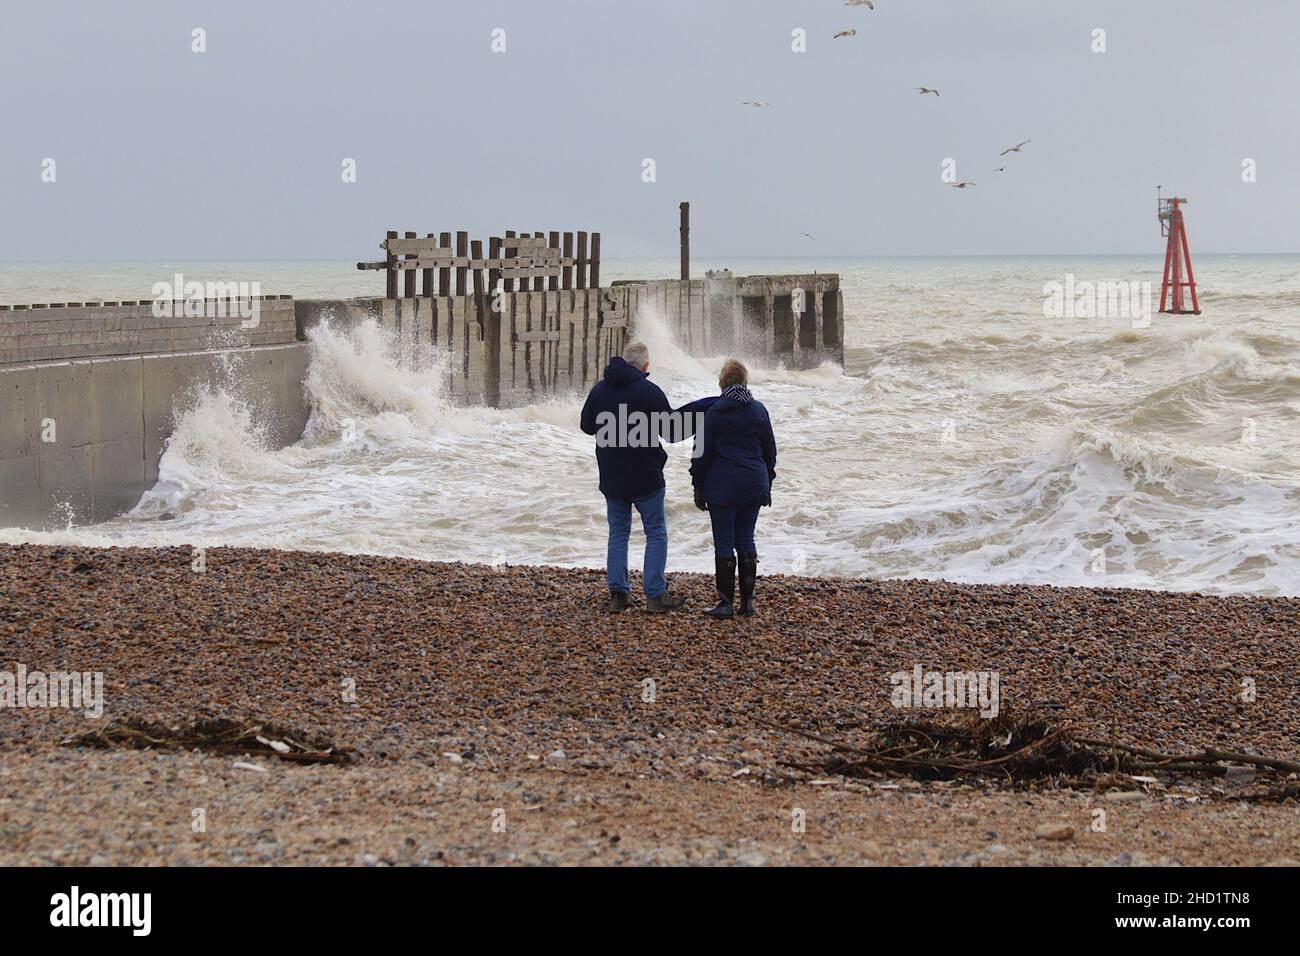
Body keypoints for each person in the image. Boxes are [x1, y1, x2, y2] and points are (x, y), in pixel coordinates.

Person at [580, 341, 706, 614]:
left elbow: (586, 426)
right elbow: (671, 431)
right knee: (656, 532)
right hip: (646, 476)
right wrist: (702, 412)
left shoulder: (599, 390)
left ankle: (618, 594)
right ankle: (655, 595)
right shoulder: (649, 392)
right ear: (645, 366)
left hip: (612, 476)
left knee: (618, 533)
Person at [690, 359, 777, 619]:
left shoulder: (715, 412)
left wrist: (698, 486)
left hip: (723, 484)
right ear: (745, 381)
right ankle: (747, 603)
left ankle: (726, 604)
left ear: (723, 382)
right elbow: (770, 452)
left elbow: (700, 454)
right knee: (746, 538)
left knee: (725, 541)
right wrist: (766, 480)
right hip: (753, 482)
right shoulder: (758, 410)